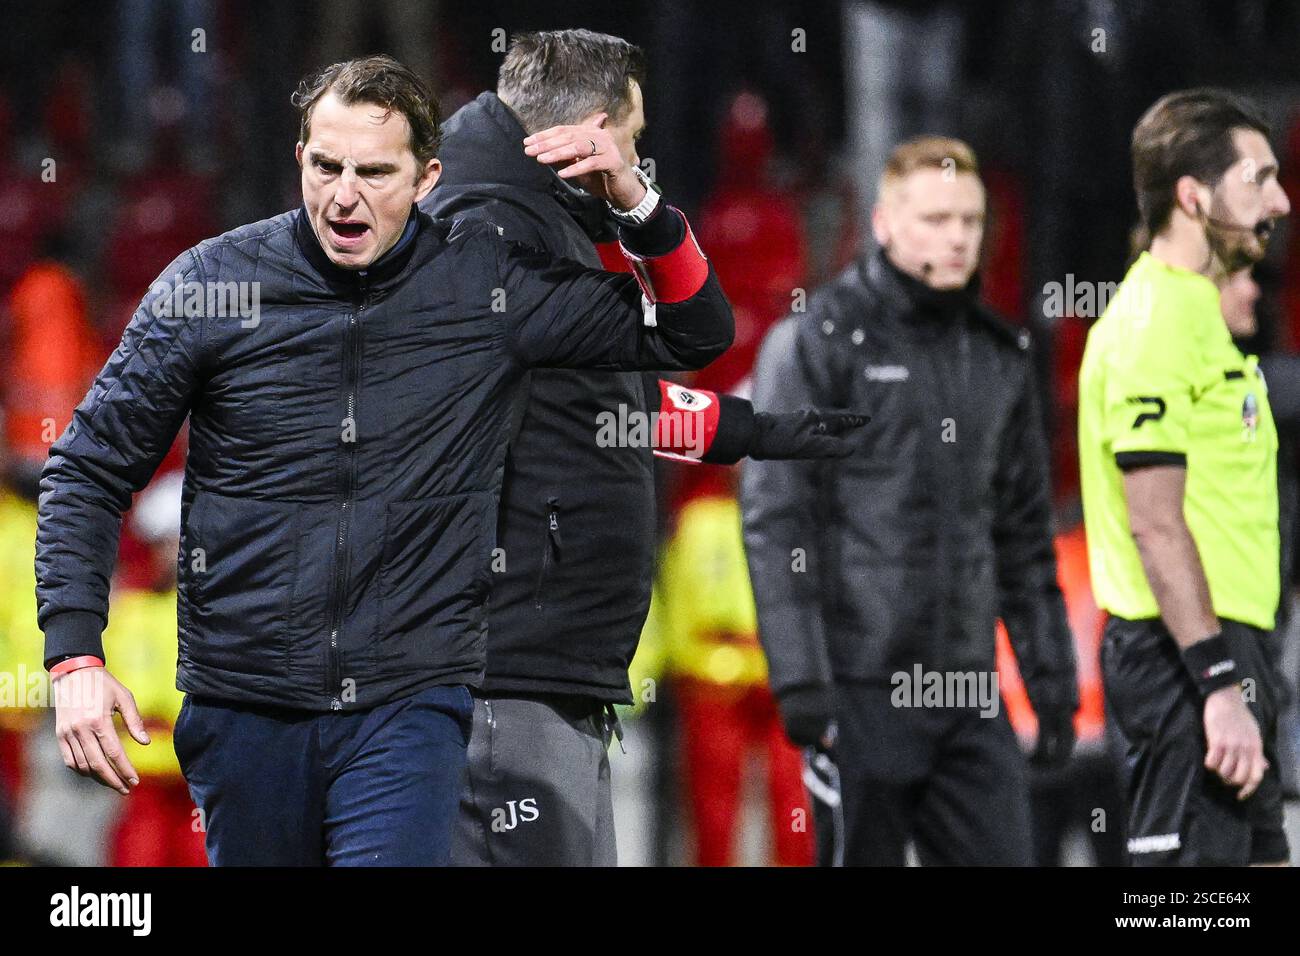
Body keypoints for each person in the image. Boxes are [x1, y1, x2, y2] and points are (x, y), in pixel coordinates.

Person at [34, 54, 734, 866]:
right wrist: (75, 655)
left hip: (409, 708)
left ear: (426, 177)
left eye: (373, 171)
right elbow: (88, 468)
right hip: (246, 706)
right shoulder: (211, 286)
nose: (343, 195)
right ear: (299, 157)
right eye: (326, 166)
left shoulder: (484, 285)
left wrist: (635, 206)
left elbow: (693, 331)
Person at [421, 29, 863, 866]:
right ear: (593, 130)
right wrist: (637, 203)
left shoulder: (522, 216)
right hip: (506, 669)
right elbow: (699, 327)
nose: (642, 156)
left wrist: (754, 431)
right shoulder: (488, 227)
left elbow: (595, 403)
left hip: (540, 669)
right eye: (634, 137)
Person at [742, 135, 1079, 866]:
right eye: (935, 218)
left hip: (967, 694)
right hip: (857, 690)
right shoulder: (819, 342)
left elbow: (1022, 534)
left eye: (970, 219)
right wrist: (802, 681)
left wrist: (1050, 682)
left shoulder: (998, 354)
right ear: (885, 222)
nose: (957, 236)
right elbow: (777, 519)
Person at [1078, 88, 1292, 866]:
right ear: (1195, 197)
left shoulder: (1197, 314)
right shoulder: (1156, 320)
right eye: (1258, 179)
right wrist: (1216, 683)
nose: (1280, 199)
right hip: (1184, 660)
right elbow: (1155, 520)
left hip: (1228, 650)